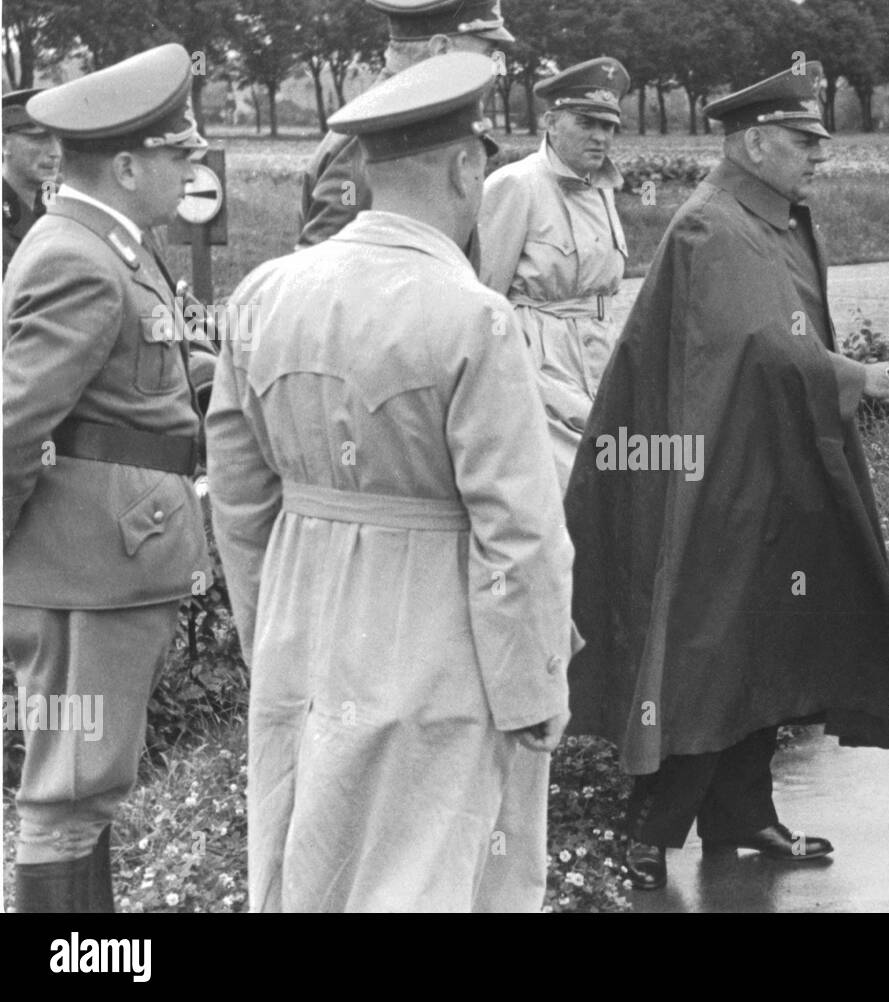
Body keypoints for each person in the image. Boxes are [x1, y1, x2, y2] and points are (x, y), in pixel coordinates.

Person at [206, 52, 576, 912]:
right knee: (429, 874)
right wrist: (534, 692)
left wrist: (272, 631)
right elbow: (518, 531)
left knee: (311, 863)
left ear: (368, 171)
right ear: (464, 165)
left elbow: (237, 497)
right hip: (436, 643)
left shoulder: (261, 295)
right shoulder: (473, 315)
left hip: (306, 628)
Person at [563, 62, 889, 892]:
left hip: (765, 462)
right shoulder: (715, 226)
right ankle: (648, 830)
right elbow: (760, 344)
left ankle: (742, 813)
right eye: (803, 142)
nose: (818, 157)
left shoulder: (770, 215)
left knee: (761, 638)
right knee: (708, 647)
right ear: (755, 141)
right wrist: (860, 378)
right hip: (716, 478)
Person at [3, 44, 210, 912]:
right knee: (67, 792)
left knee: (85, 791)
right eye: (179, 152)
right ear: (127, 165)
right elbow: (11, 425)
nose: (193, 165)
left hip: (100, 565)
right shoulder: (81, 259)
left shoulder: (109, 241)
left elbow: (141, 374)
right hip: (81, 573)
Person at [478, 57, 630, 487]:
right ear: (551, 121)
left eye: (609, 126)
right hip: (539, 363)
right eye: (586, 123)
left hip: (601, 354)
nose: (600, 137)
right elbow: (485, 296)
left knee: (629, 474)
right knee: (567, 488)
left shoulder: (603, 189)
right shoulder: (516, 186)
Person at [296, 0, 513, 250]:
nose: (496, 68)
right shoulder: (372, 135)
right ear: (442, 50)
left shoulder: (410, 119)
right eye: (488, 53)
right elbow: (324, 256)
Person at [2, 88, 60, 275]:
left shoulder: (59, 197)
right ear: (4, 145)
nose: (55, 152)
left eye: (58, 140)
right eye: (39, 139)